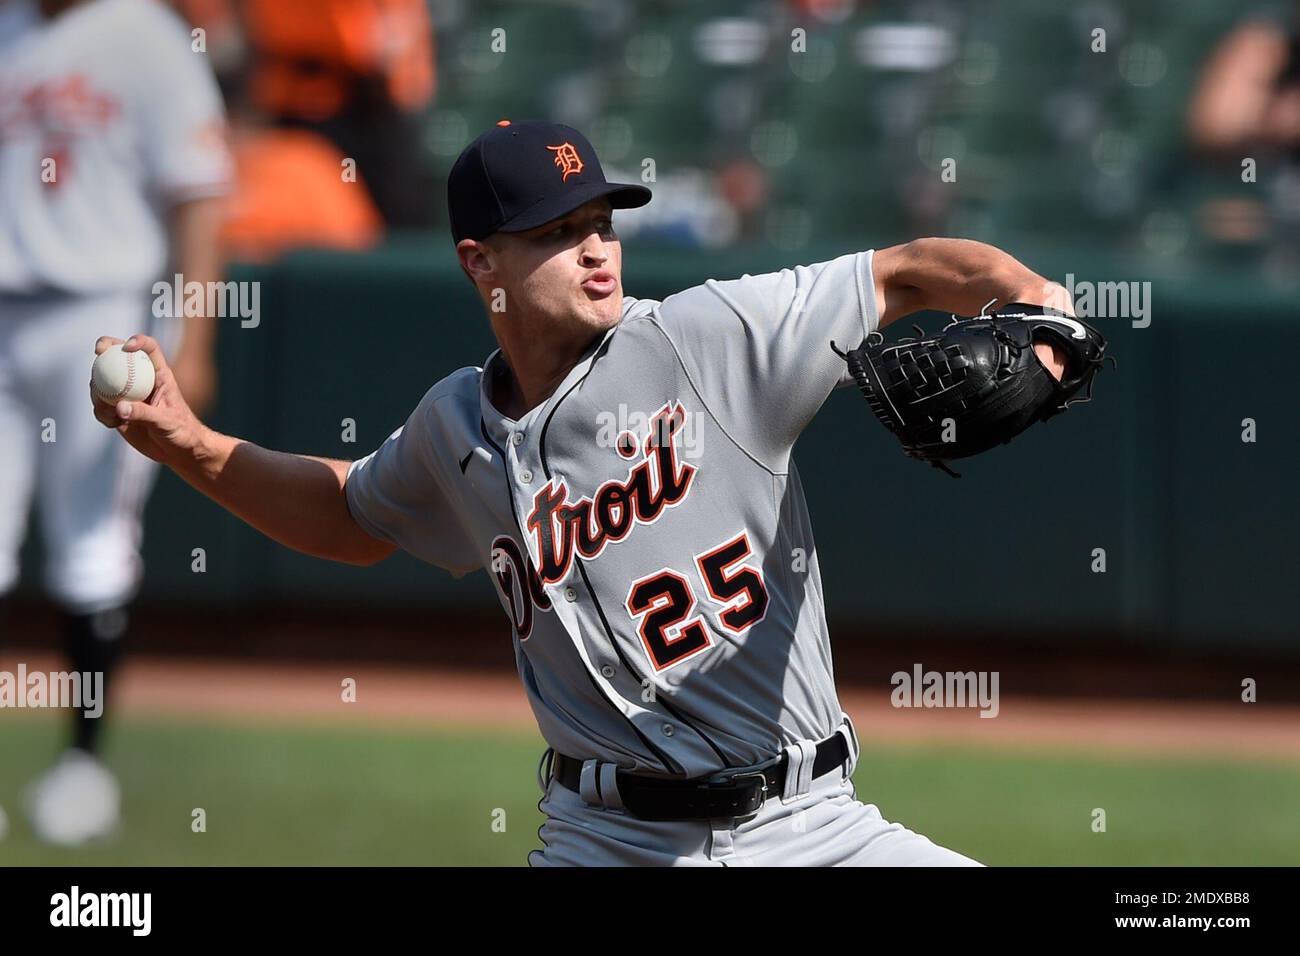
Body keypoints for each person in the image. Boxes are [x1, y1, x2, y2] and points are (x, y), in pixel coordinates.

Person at [90, 120, 1070, 866]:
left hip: (810, 826)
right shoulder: (452, 426)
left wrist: (1039, 313)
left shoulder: (707, 336)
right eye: (559, 232)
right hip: (606, 839)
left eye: (601, 222)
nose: (598, 248)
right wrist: (189, 444)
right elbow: (349, 512)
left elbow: (903, 274)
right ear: (484, 265)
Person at [0, 0, 229, 845]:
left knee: (92, 542)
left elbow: (200, 197)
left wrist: (194, 339)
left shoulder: (149, 34)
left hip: (98, 319)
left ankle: (83, 769)